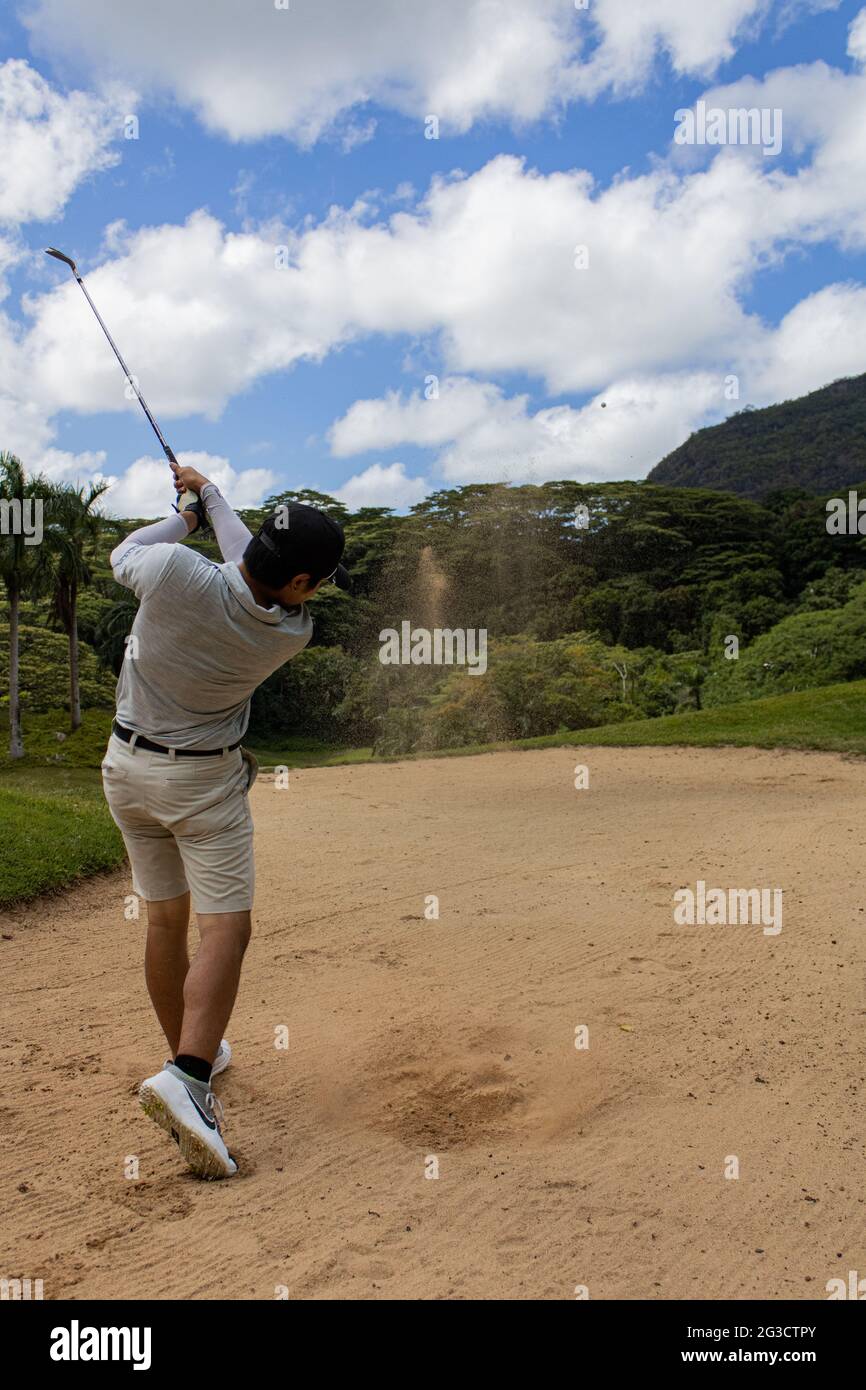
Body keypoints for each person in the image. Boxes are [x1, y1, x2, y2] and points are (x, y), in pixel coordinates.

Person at [101, 464, 350, 1178]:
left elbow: (127, 552)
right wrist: (211, 500)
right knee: (226, 929)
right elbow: (246, 560)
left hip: (126, 769)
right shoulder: (291, 629)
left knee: (163, 923)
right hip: (203, 784)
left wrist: (188, 511)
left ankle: (188, 1055)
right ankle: (188, 1076)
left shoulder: (176, 572)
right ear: (301, 585)